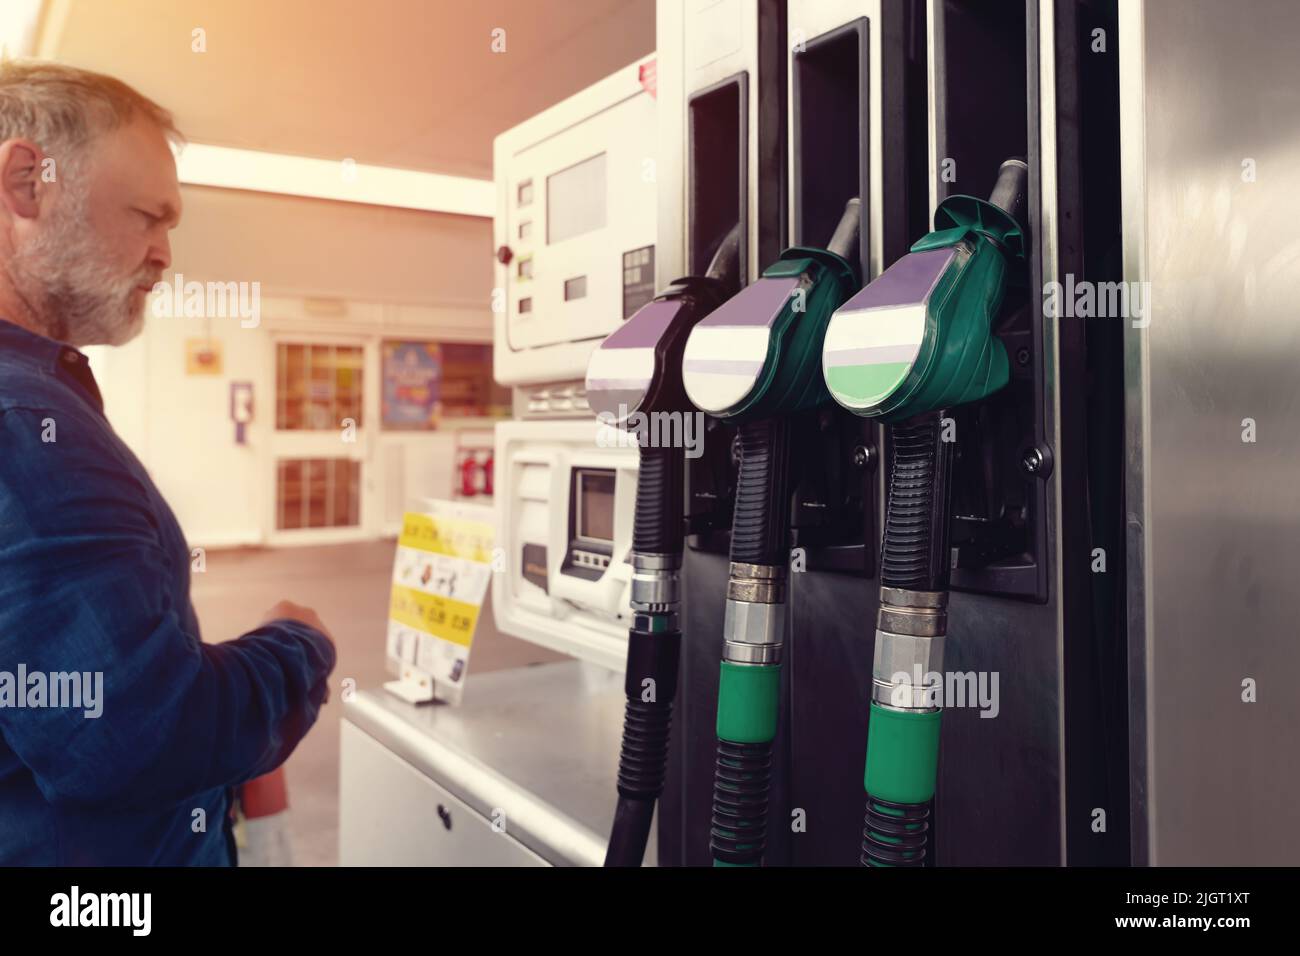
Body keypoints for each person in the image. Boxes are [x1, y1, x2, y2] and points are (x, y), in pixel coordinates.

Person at [0, 61, 336, 865]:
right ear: (25, 183)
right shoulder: (24, 422)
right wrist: (298, 643)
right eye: (149, 216)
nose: (163, 255)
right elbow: (137, 739)